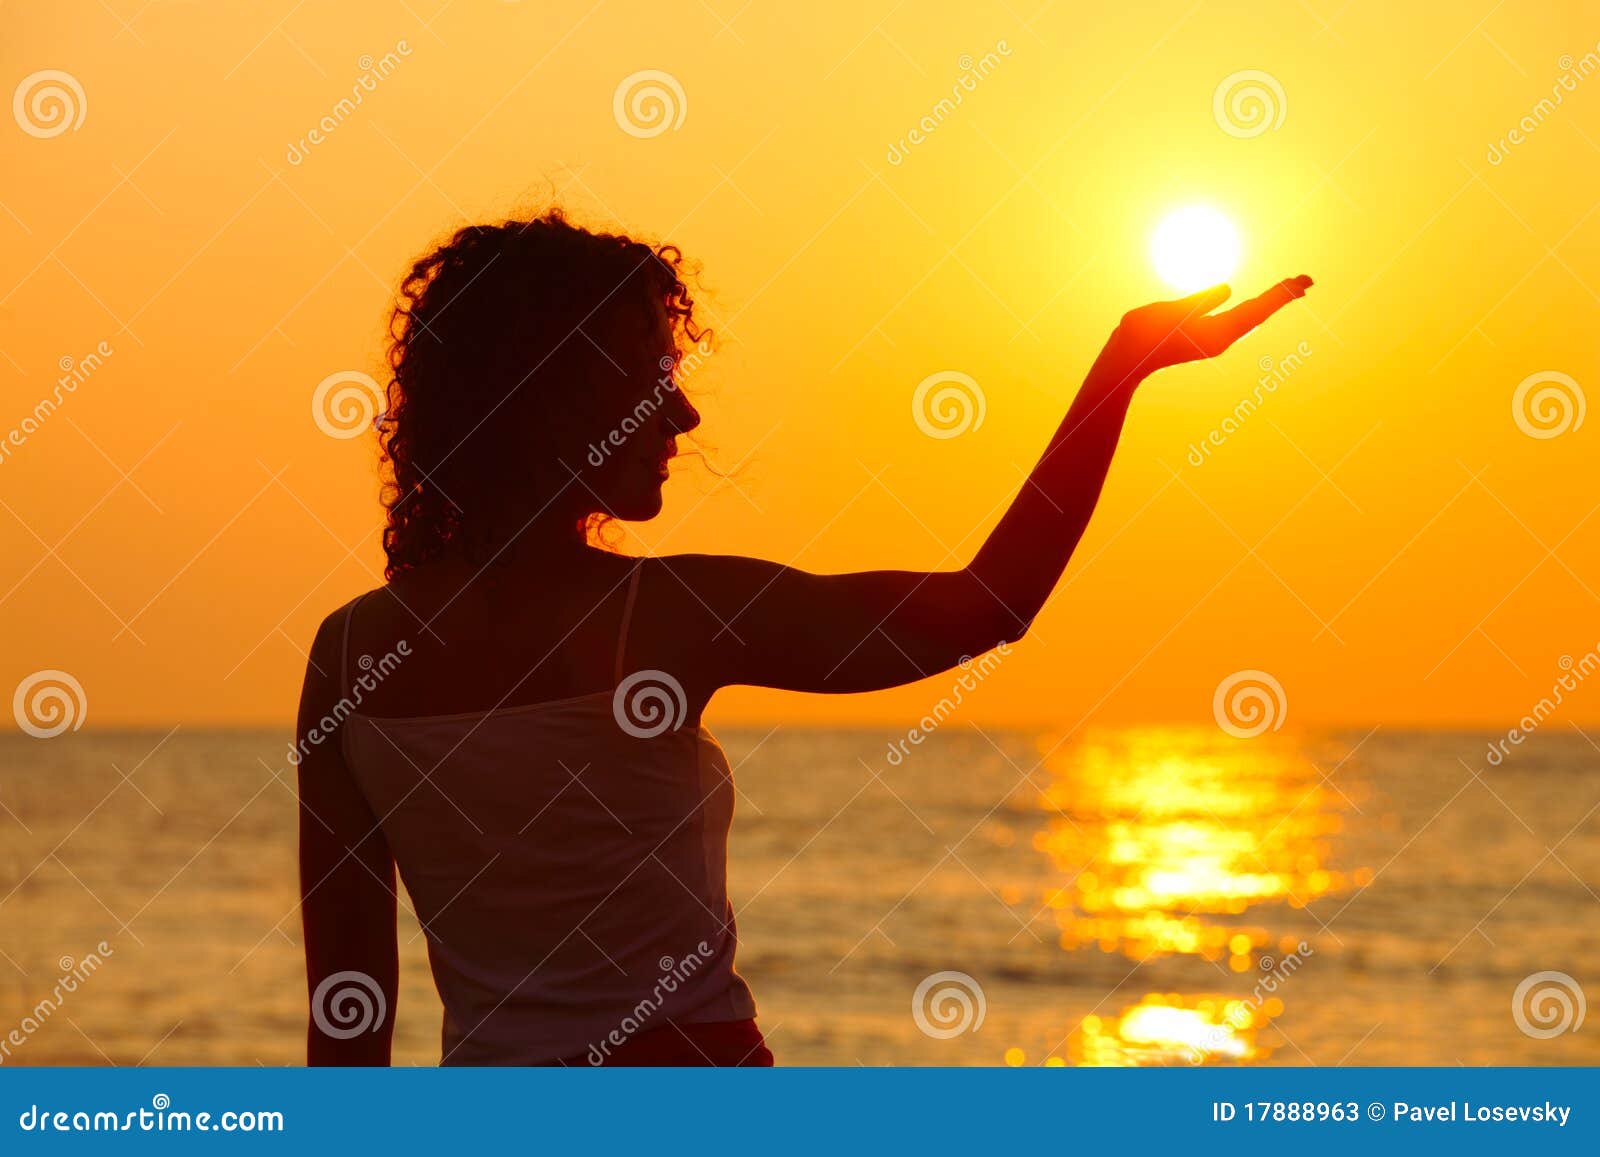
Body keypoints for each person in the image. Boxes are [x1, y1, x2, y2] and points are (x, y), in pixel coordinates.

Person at [294, 208, 1312, 1065]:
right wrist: (1118, 372)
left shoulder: (348, 655)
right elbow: (988, 605)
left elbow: (346, 1016)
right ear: (562, 399)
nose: (682, 414)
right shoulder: (669, 616)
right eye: (653, 377)